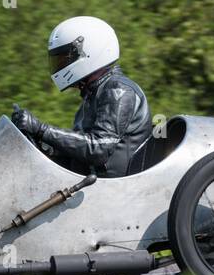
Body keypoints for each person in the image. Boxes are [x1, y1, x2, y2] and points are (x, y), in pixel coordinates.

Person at [11, 16, 152, 178]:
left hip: (114, 191)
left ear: (89, 51)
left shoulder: (118, 90)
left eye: (65, 58)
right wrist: (43, 145)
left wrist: (42, 130)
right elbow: (80, 151)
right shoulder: (92, 95)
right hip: (91, 186)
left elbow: (99, 149)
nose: (60, 65)